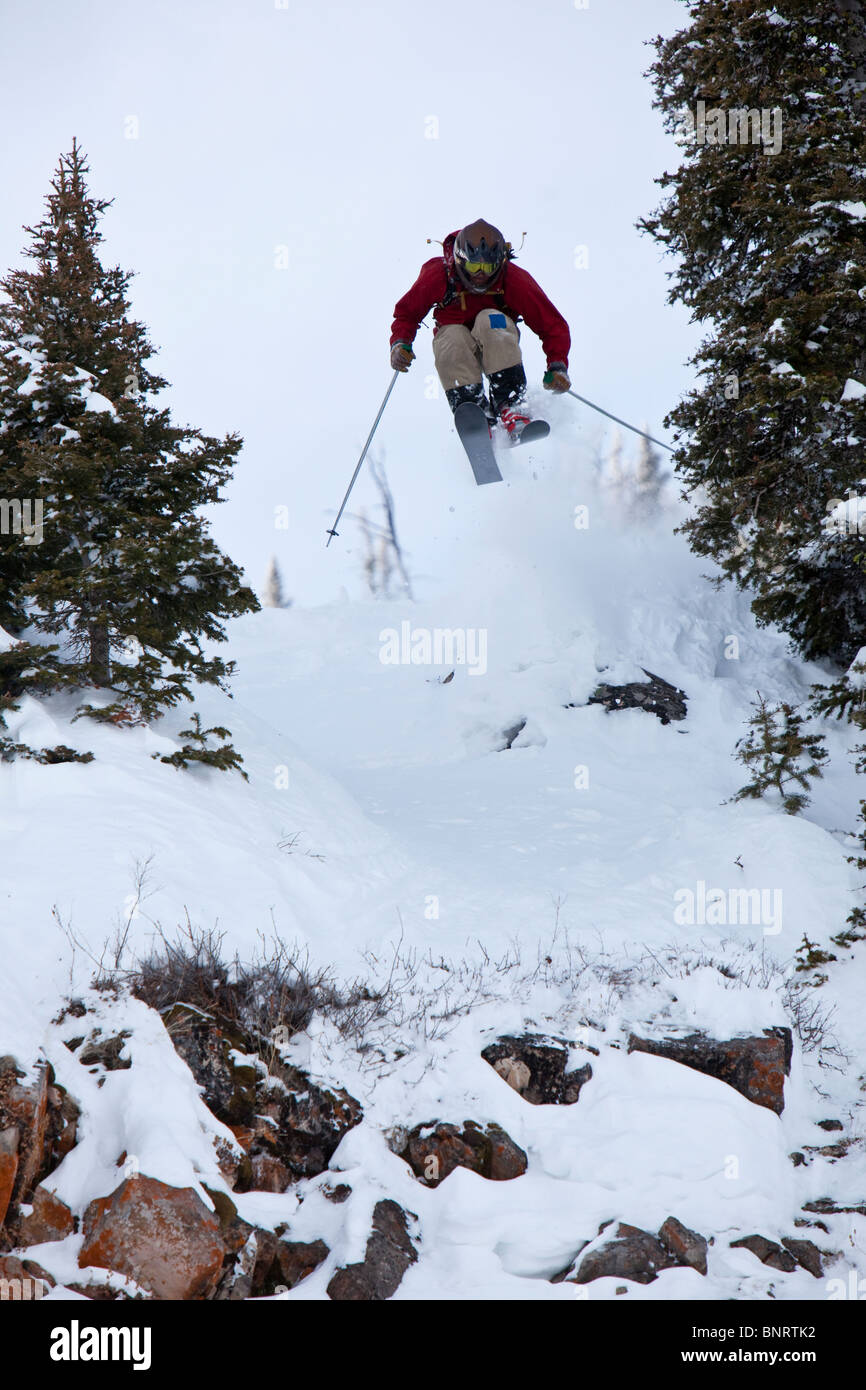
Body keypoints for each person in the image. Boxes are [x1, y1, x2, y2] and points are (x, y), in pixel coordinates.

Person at [390, 219, 571, 441]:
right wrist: (400, 343)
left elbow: (551, 323)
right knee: (453, 336)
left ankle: (511, 404)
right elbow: (407, 313)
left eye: (487, 268)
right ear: (460, 260)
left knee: (490, 319)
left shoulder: (512, 278)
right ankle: (475, 413)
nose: (480, 275)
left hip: (497, 341)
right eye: (475, 267)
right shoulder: (439, 274)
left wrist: (557, 364)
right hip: (456, 344)